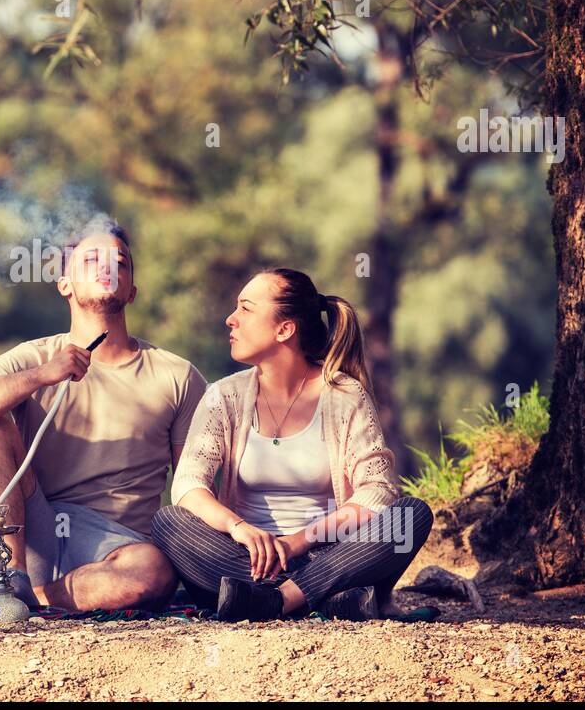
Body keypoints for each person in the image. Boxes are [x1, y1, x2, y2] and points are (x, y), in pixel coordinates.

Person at [0, 217, 207, 615]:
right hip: (33, 535)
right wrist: (43, 375)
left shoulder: (178, 375)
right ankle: (5, 580)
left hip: (119, 550)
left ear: (132, 291)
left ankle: (12, 602)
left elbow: (191, 486)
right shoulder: (35, 357)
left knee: (155, 571)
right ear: (65, 285)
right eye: (92, 259)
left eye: (120, 262)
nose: (108, 268)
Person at [149, 267, 433, 622]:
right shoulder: (223, 396)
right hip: (244, 560)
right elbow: (189, 485)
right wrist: (240, 528)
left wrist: (295, 542)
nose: (230, 319)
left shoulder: (345, 396)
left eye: (246, 309)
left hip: (329, 555)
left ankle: (277, 600)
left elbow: (376, 493)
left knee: (410, 516)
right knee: (167, 521)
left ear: (285, 329)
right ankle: (325, 601)